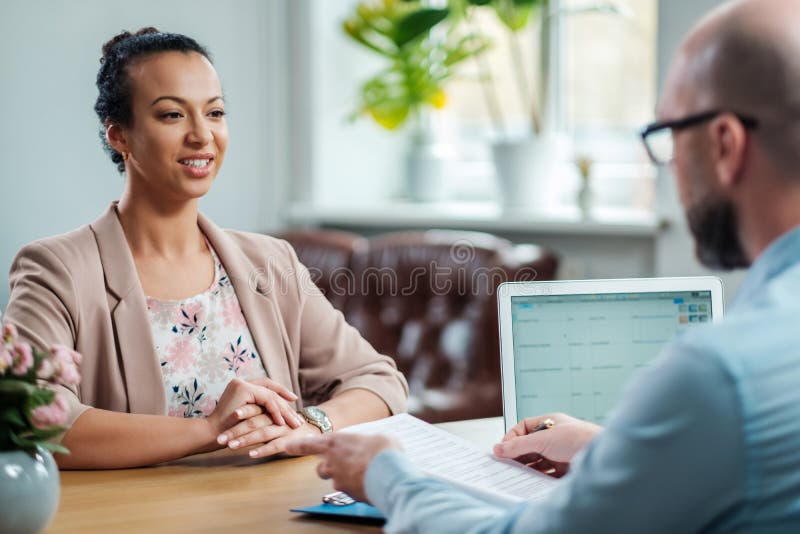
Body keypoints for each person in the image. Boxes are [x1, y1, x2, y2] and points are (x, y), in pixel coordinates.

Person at [286, 0, 800, 530]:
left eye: (669, 136)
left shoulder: (720, 373)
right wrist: (611, 448)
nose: (670, 171)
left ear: (725, 145)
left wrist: (386, 475)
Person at [3, 28, 408, 469]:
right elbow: (36, 420)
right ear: (119, 135)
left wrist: (310, 424)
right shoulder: (56, 269)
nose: (202, 135)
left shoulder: (269, 262)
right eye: (172, 116)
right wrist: (209, 429)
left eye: (214, 113)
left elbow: (379, 381)